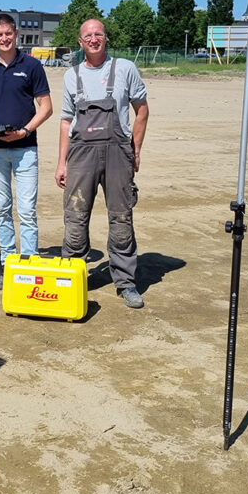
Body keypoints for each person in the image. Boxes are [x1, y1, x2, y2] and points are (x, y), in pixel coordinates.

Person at [54, 19, 149, 309]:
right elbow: (66, 121)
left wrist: (136, 149)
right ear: (80, 42)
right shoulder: (72, 76)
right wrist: (61, 163)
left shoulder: (125, 69)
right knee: (75, 217)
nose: (93, 39)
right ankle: (74, 277)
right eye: (87, 36)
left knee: (121, 217)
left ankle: (125, 281)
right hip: (80, 155)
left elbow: (141, 110)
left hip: (118, 153)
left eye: (98, 34)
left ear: (106, 38)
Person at [0, 13, 52, 289]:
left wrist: (25, 131)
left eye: (8, 33)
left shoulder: (31, 66)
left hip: (25, 148)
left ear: (16, 33)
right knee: (2, 208)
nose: (4, 38)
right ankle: (8, 264)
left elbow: (46, 107)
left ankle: (29, 264)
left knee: (27, 210)